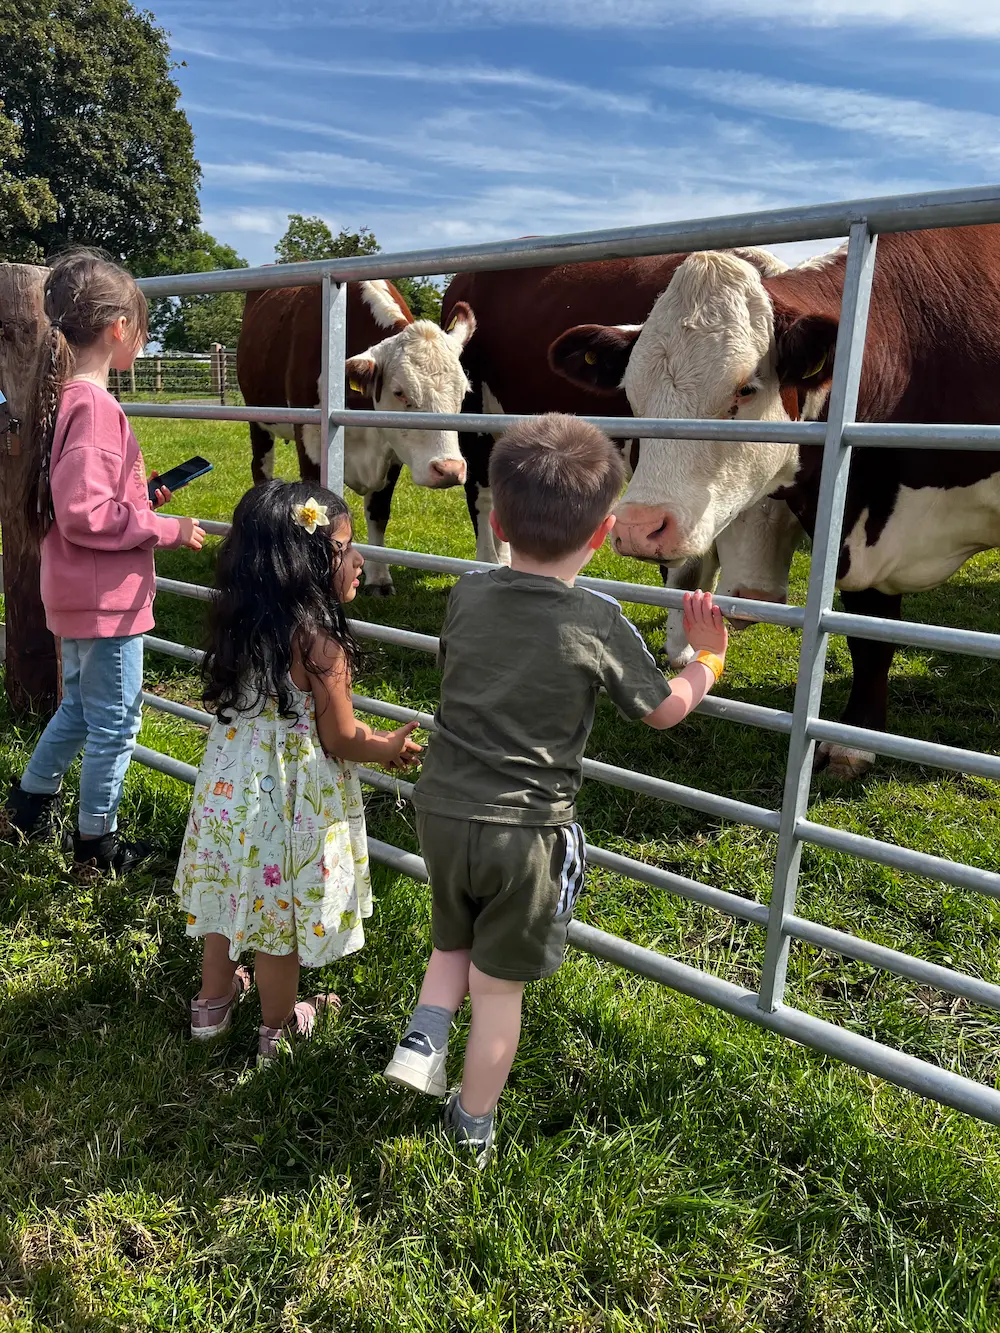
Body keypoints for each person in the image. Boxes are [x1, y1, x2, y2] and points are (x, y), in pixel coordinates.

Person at [384, 413, 729, 1165]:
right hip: (528, 833)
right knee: (499, 989)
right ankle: (471, 1125)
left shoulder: (467, 594)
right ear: (603, 534)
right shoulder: (597, 620)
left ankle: (425, 1031)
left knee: (452, 939)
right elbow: (665, 710)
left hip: (442, 807)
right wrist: (707, 657)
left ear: (498, 521)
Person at [175, 481, 422, 1063]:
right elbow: (339, 736)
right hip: (288, 806)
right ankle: (278, 1029)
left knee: (226, 899)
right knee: (276, 925)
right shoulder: (320, 641)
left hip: (230, 797)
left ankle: (210, 1008)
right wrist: (385, 746)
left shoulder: (238, 624)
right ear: (304, 562)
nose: (358, 560)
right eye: (343, 548)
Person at [1, 248, 205, 872]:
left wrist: (139, 498)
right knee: (115, 726)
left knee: (79, 712)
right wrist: (161, 528)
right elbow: (85, 514)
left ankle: (24, 812)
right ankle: (97, 846)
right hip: (106, 603)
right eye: (141, 327)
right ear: (120, 328)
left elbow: (82, 498)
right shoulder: (95, 409)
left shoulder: (61, 401)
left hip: (74, 593)